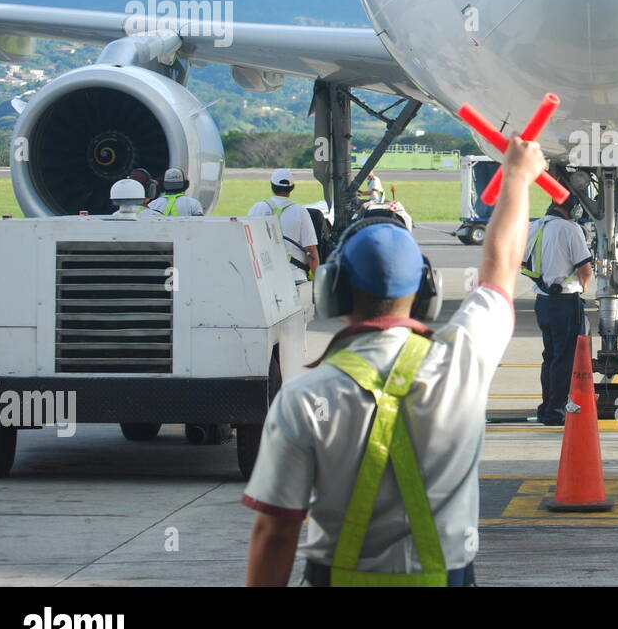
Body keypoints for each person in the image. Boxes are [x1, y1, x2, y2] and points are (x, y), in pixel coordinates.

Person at [241, 134, 544, 587]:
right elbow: (500, 268)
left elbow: (276, 531)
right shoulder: (462, 360)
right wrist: (517, 179)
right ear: (427, 294)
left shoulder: (304, 397)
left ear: (333, 291)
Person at [522, 195, 594, 426]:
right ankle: (557, 411)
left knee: (550, 357)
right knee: (565, 359)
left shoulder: (537, 225)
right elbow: (584, 267)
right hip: (565, 301)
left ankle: (546, 407)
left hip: (542, 301)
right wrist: (584, 285)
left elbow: (523, 262)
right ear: (569, 206)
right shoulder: (571, 229)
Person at [249, 170, 321, 317]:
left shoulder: (257, 208)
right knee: (297, 329)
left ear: (271, 186)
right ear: (292, 187)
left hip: (265, 280)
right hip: (295, 278)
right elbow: (311, 250)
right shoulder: (300, 212)